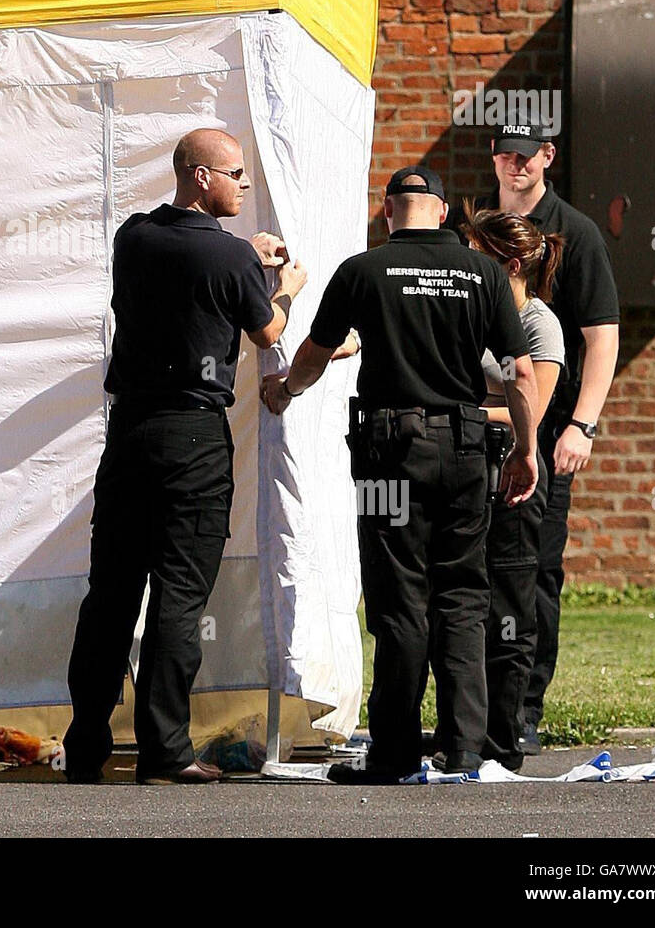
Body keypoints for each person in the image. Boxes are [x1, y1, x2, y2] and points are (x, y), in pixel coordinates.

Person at [264, 165, 538, 781]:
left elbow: (313, 354)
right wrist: (526, 448)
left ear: (388, 210)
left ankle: (393, 752)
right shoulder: (484, 273)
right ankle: (465, 748)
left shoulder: (363, 271)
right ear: (442, 212)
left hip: (389, 457)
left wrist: (285, 390)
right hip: (466, 451)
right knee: (463, 595)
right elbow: (520, 372)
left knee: (398, 595)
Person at [63, 128, 306, 785]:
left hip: (129, 435)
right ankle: (164, 751)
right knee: (178, 595)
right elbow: (267, 331)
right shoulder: (229, 258)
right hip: (192, 438)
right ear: (201, 176)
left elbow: (192, 265)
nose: (244, 184)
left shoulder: (133, 238)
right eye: (234, 174)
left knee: (111, 596)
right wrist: (284, 285)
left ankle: (85, 746)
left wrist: (244, 256)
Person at [467, 117, 619, 753]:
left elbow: (601, 337)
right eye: (507, 155)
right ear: (494, 157)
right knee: (469, 572)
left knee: (534, 571)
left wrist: (582, 425)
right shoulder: (476, 229)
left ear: (547, 156)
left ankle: (523, 707)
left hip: (545, 425)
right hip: (474, 433)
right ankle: (473, 709)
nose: (517, 165)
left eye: (527, 155)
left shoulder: (575, 232)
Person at [434, 206, 565, 771]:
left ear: (510, 265)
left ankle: (505, 736)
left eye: (478, 254)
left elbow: (531, 410)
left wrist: (458, 411)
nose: (467, 264)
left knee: (510, 603)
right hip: (465, 467)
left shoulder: (539, 324)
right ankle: (458, 731)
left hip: (515, 471)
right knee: (459, 601)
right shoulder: (473, 314)